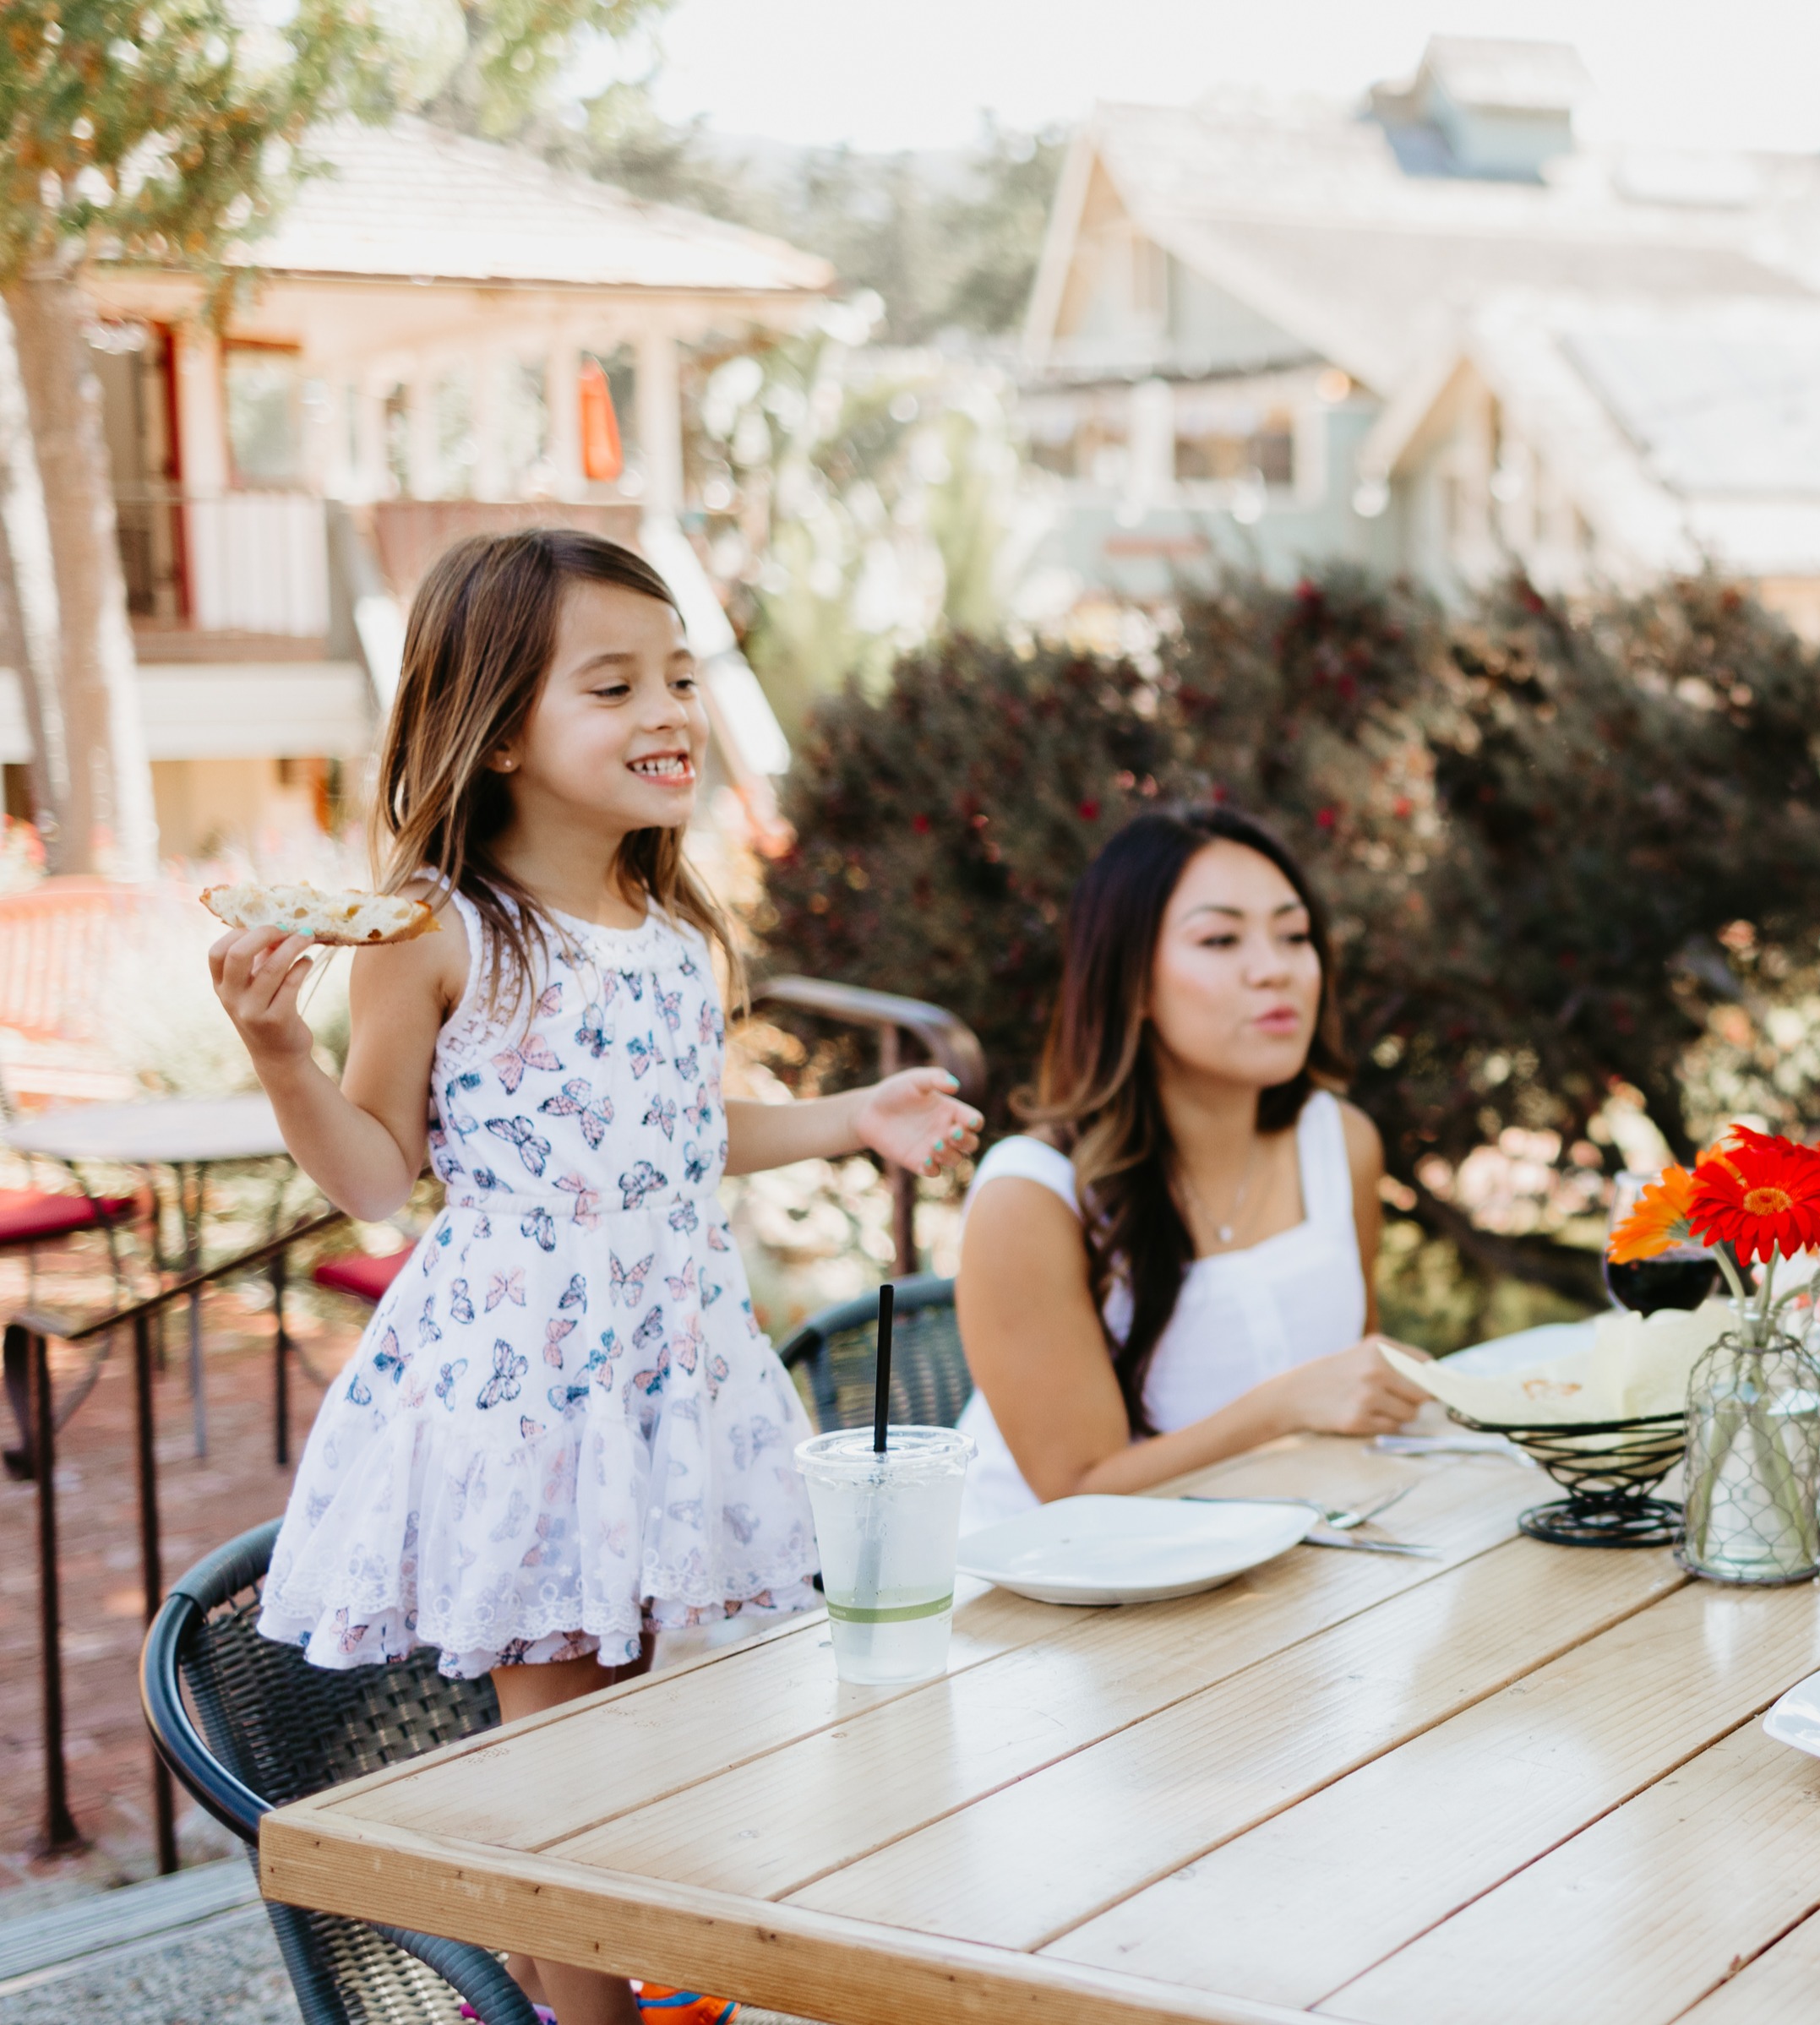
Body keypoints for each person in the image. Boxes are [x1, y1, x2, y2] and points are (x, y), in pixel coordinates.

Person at [210, 529, 982, 2025]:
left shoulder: (672, 936)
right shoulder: (441, 928)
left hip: (660, 1370)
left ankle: (590, 1985)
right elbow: (378, 1173)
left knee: (631, 1733)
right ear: (499, 730)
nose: (669, 712)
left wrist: (853, 1117)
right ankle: (584, 2008)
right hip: (525, 1391)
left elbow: (676, 1135)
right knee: (560, 1756)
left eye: (680, 677)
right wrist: (275, 1049)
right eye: (614, 683)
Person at [951, 807, 1430, 1525]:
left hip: (1273, 1565)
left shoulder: (1340, 1142)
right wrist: (1284, 1406)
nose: (1276, 969)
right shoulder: (1032, 1195)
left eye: (1294, 935)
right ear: (1132, 982)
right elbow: (1074, 1494)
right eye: (1220, 938)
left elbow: (1351, 1391)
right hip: (1041, 1606)